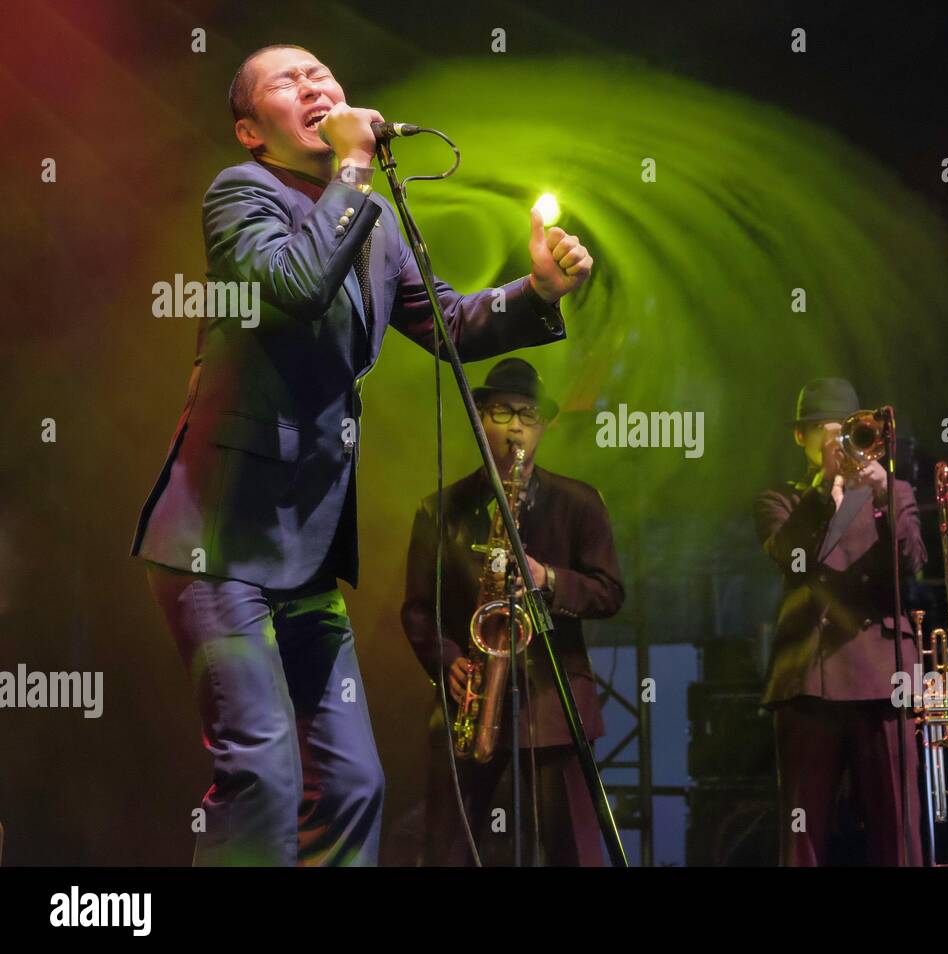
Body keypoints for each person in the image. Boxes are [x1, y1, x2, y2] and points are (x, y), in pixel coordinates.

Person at [130, 45, 593, 866]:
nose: (315, 85)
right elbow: (295, 287)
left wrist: (537, 294)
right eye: (289, 80)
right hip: (219, 543)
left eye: (322, 75)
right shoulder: (241, 194)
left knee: (351, 785)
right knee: (262, 774)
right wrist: (351, 168)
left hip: (306, 556)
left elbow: (449, 324)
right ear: (251, 131)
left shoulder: (371, 222)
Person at [401, 358, 623, 865]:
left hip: (554, 706)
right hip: (471, 699)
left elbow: (609, 592)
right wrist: (447, 660)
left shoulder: (580, 502)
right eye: (502, 412)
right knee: (447, 852)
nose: (516, 427)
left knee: (574, 852)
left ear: (544, 425)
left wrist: (548, 579)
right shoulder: (439, 509)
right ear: (480, 418)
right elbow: (418, 608)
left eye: (529, 414)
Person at [753, 378, 925, 866]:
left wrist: (883, 494)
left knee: (898, 825)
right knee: (802, 832)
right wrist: (822, 494)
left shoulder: (894, 490)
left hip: (883, 674)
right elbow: (789, 557)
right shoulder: (781, 500)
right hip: (809, 677)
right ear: (800, 438)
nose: (836, 443)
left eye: (844, 432)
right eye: (822, 432)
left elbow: (913, 562)